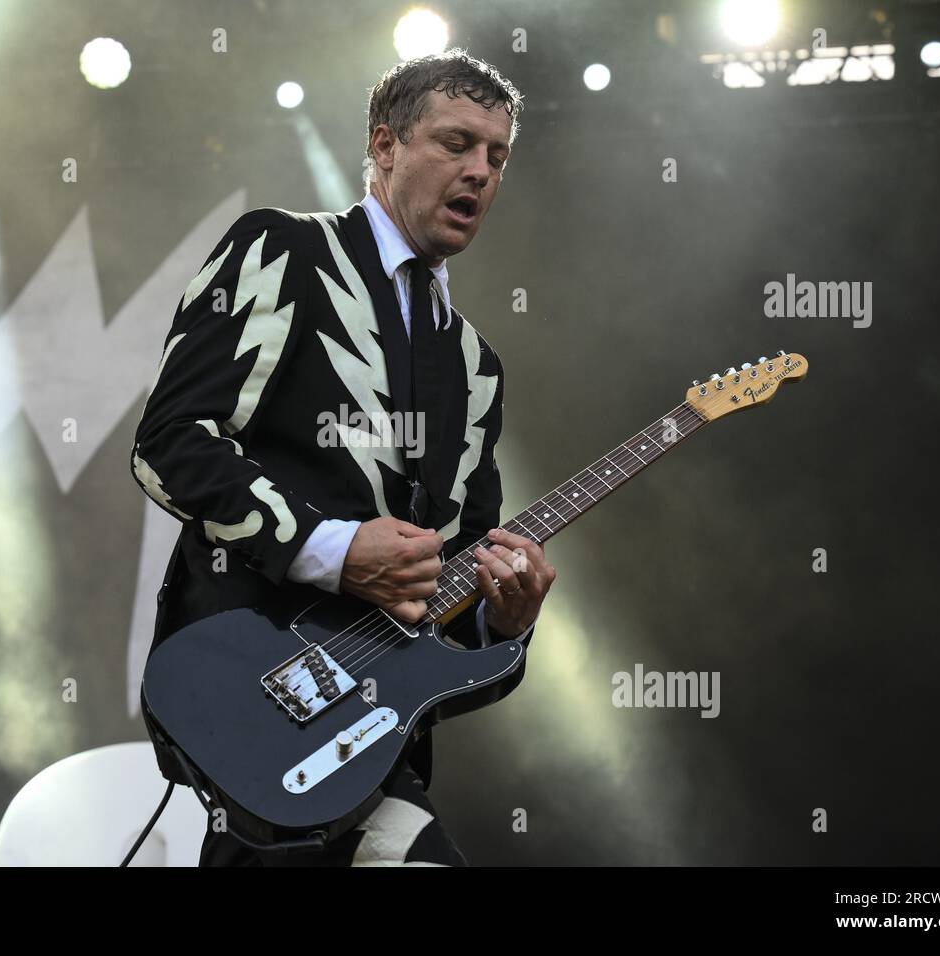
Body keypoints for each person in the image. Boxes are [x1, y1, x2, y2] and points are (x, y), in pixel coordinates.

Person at [131, 49, 555, 866]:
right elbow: (170, 441)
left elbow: (454, 580)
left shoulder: (474, 365)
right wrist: (333, 552)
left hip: (371, 740)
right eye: (456, 143)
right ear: (386, 145)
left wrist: (505, 616)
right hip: (255, 684)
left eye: (497, 156)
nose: (480, 172)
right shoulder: (282, 251)